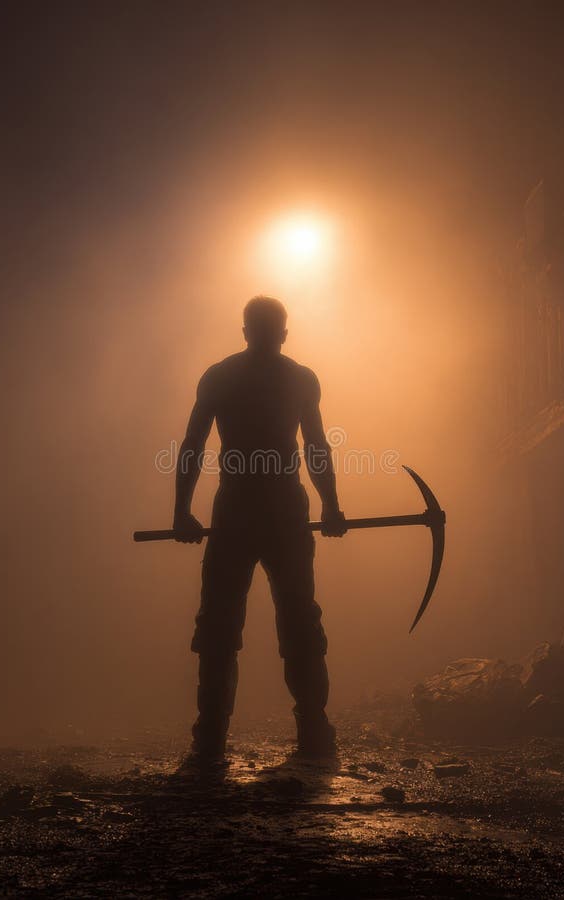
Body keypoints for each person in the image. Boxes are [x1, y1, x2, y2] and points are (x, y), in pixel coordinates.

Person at [174, 295, 347, 763]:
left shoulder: (226, 376)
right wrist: (330, 505)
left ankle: (214, 737)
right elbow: (315, 447)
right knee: (279, 621)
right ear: (277, 332)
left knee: (232, 625)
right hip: (272, 511)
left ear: (247, 330)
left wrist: (182, 512)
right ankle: (306, 729)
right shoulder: (294, 378)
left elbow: (195, 445)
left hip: (248, 510)